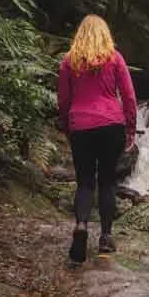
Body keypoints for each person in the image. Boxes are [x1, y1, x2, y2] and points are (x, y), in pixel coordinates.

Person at [57, 15, 137, 264]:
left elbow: (63, 99)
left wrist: (67, 124)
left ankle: (81, 225)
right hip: (111, 125)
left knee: (84, 182)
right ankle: (105, 236)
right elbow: (129, 96)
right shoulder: (115, 58)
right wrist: (130, 130)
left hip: (80, 125)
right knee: (107, 181)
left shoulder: (69, 61)